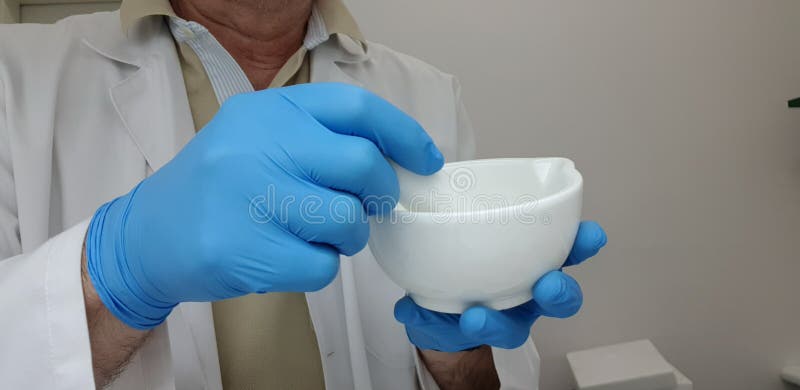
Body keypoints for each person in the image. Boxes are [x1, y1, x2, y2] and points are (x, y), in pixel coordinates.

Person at [0, 0, 608, 389]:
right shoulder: (14, 79)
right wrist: (111, 273)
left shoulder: (425, 92)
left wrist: (460, 359)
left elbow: (490, 381)